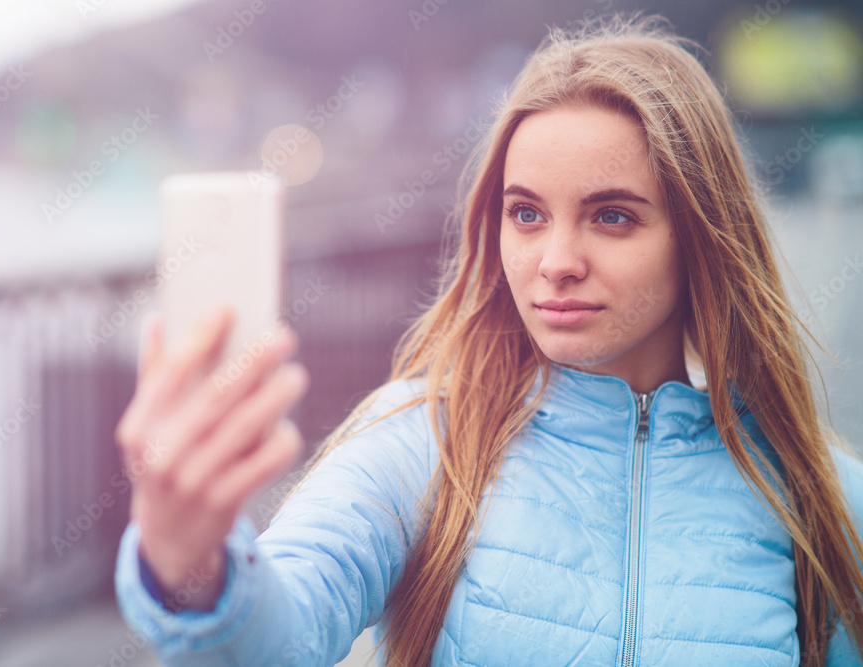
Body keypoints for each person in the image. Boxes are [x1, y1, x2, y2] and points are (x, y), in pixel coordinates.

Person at [113, 14, 863, 667]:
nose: (555, 262)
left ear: (699, 236)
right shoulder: (424, 441)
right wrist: (193, 565)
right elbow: (280, 635)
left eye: (612, 216)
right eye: (527, 214)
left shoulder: (819, 496)